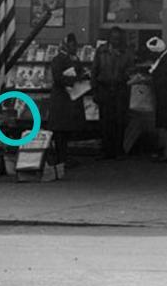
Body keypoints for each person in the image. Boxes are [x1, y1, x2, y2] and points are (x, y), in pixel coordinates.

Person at [91, 27, 134, 160]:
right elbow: (94, 70)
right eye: (113, 38)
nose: (116, 41)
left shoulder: (126, 52)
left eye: (118, 39)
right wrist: (94, 89)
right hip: (104, 88)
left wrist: (123, 75)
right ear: (109, 38)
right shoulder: (101, 51)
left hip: (120, 88)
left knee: (120, 121)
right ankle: (106, 150)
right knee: (105, 121)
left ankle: (118, 150)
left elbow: (130, 69)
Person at [48, 33, 87, 179]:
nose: (75, 48)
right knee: (60, 130)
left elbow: (79, 71)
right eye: (72, 45)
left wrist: (83, 75)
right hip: (61, 99)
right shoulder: (58, 59)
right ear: (66, 45)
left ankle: (64, 156)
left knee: (67, 129)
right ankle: (61, 158)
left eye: (75, 45)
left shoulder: (74, 59)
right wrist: (75, 78)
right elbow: (58, 78)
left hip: (71, 97)